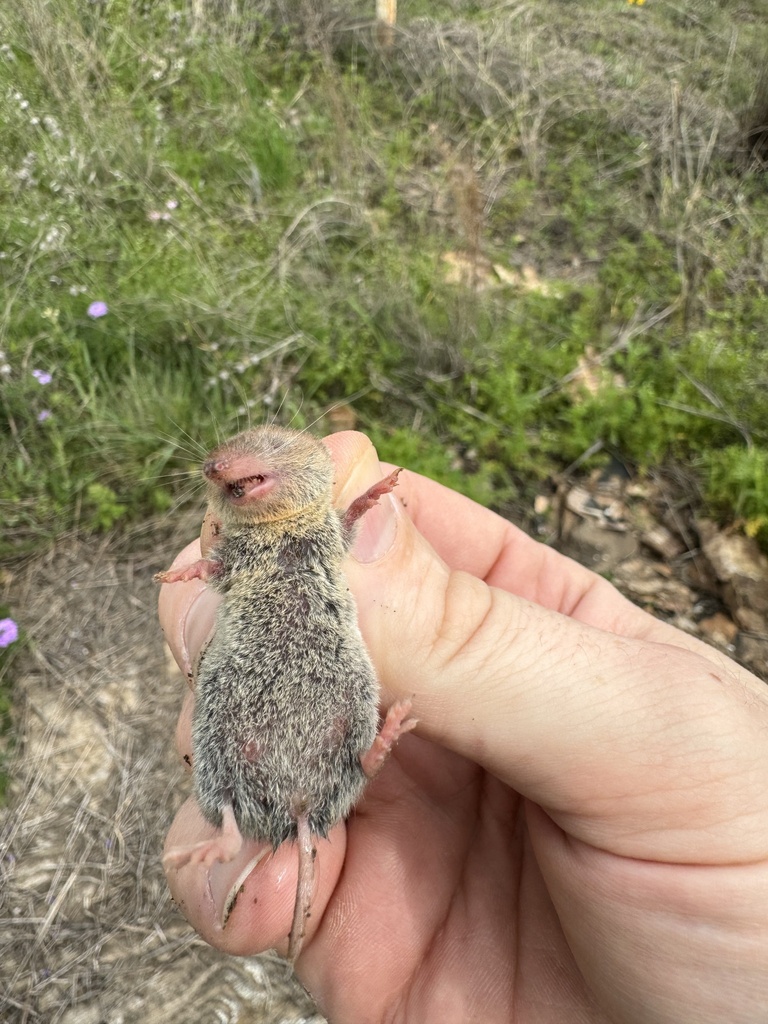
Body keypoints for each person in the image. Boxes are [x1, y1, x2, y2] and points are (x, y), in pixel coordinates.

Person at [159, 431, 768, 1023]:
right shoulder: (242, 545)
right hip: (267, 693)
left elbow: (336, 536)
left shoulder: (324, 526)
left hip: (325, 691)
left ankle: (347, 767)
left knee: (341, 712)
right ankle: (242, 819)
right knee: (225, 730)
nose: (221, 468)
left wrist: (362, 508)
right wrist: (204, 568)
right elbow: (223, 568)